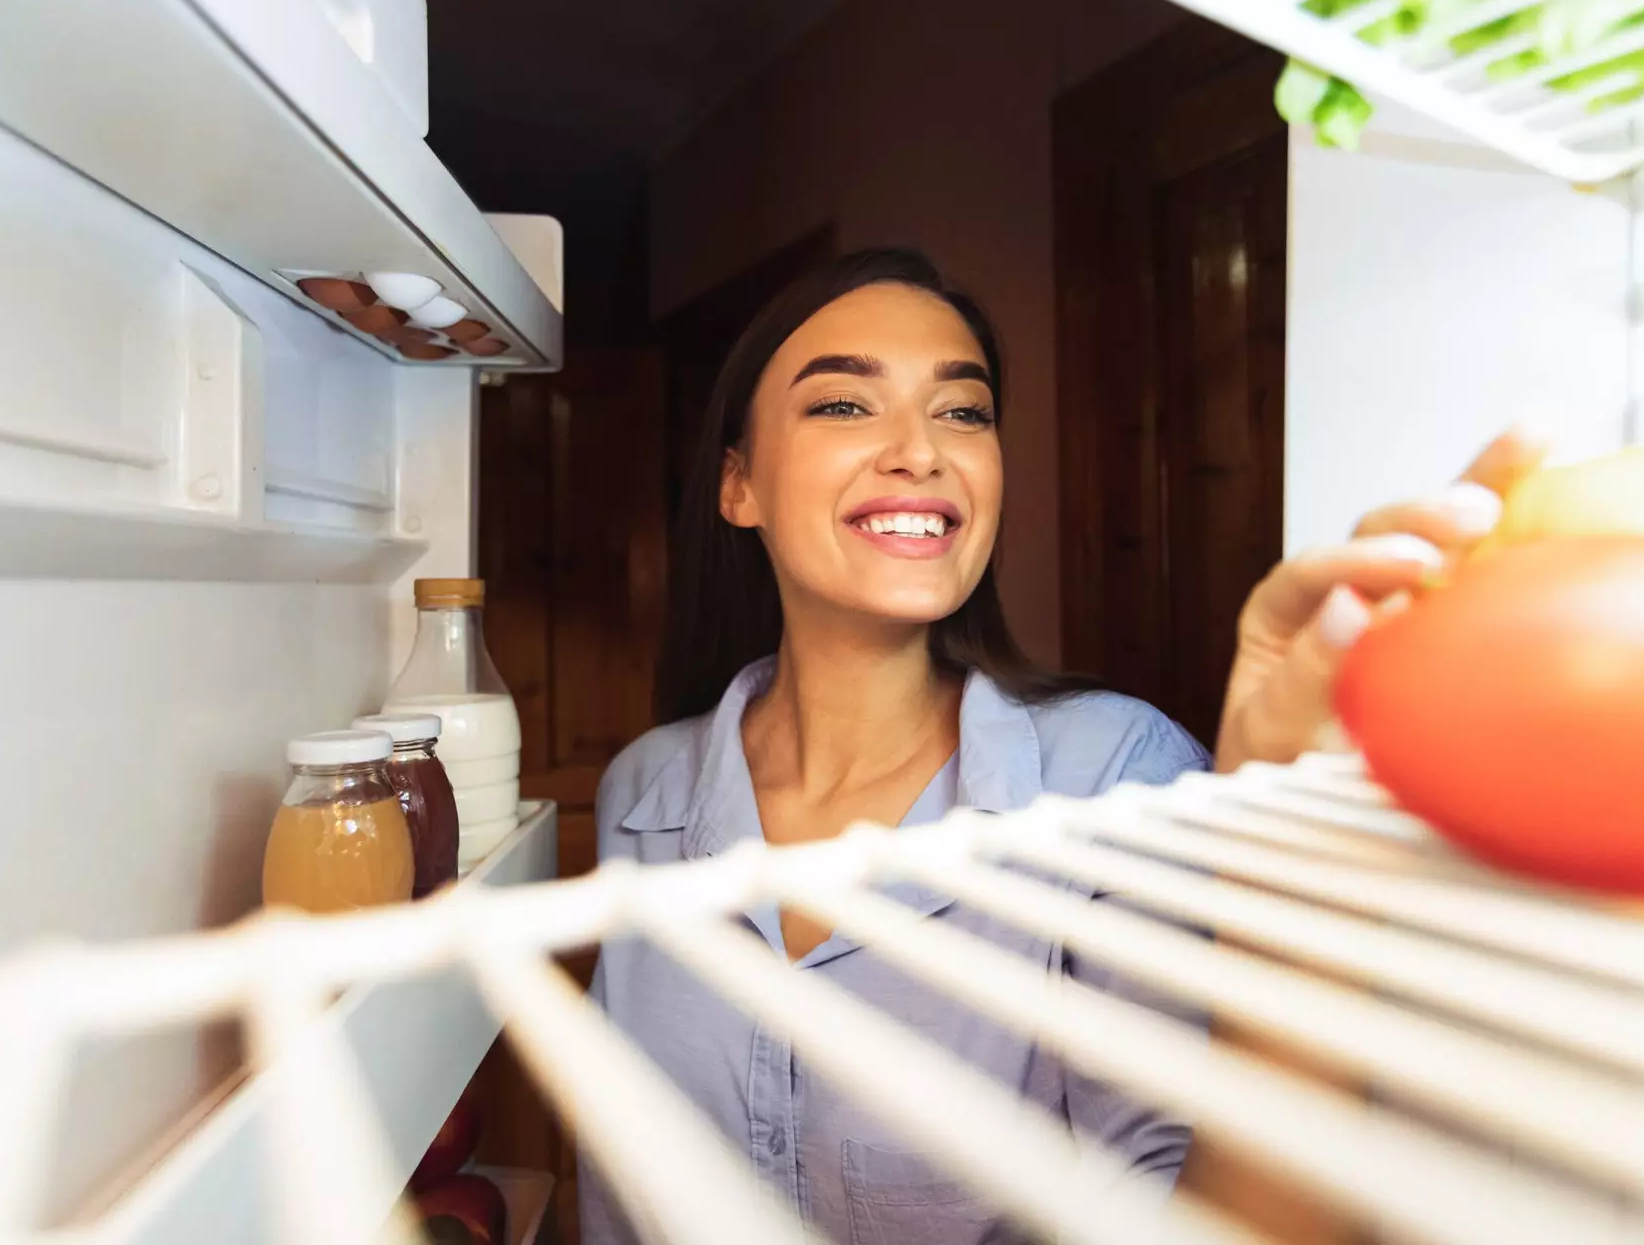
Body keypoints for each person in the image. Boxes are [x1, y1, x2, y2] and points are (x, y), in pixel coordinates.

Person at [580, 247, 1538, 1243]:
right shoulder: (645, 792)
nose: (920, 450)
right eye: (844, 406)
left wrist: (1300, 895)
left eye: (964, 411)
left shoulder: (1117, 778)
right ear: (739, 485)